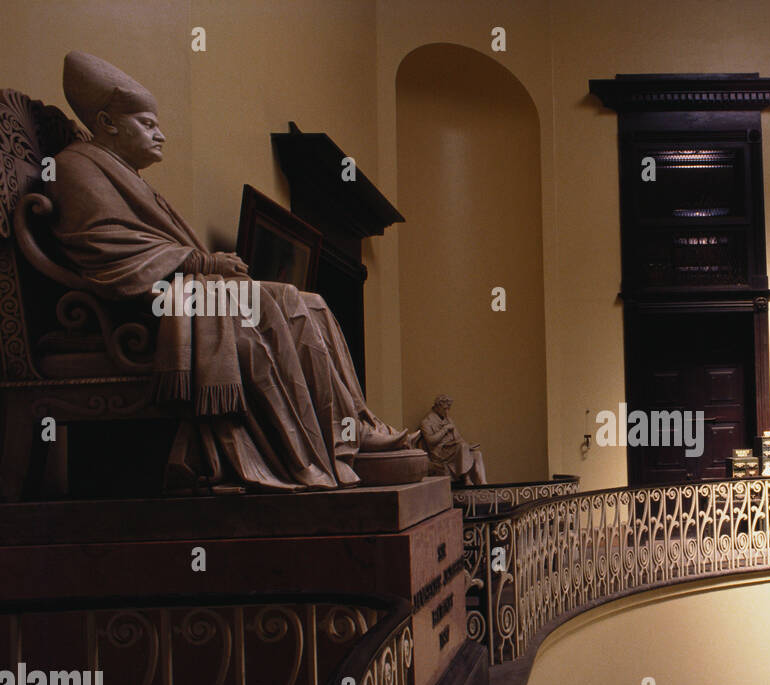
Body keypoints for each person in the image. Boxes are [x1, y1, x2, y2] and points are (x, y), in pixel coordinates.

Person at [49, 51, 410, 492]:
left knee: (309, 300)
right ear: (106, 123)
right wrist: (200, 262)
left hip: (174, 291)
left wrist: (200, 266)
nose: (161, 134)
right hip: (138, 307)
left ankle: (350, 427)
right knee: (274, 302)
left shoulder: (124, 173)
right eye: (147, 124)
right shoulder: (74, 165)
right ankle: (323, 441)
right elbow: (102, 245)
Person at [417, 395, 486, 485]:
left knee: (477, 454)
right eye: (445, 409)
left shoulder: (448, 420)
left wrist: (468, 445)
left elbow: (458, 438)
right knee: (462, 446)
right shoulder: (426, 422)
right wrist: (445, 429)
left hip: (453, 449)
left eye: (448, 409)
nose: (447, 412)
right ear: (438, 406)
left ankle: (483, 482)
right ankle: (466, 478)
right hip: (440, 453)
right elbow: (431, 440)